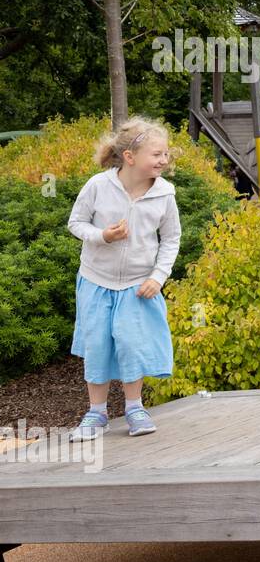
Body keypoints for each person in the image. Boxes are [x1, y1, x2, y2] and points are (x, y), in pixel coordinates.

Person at [66, 117, 181, 440]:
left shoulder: (165, 195)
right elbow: (76, 223)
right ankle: (96, 413)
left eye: (165, 154)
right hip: (96, 281)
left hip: (138, 286)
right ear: (130, 157)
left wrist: (158, 277)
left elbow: (171, 239)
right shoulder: (98, 186)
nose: (163, 160)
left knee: (132, 345)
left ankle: (134, 408)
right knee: (98, 345)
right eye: (156, 154)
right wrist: (102, 235)